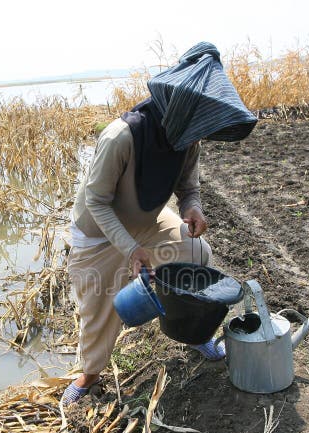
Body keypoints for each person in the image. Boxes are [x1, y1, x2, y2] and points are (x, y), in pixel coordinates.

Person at [62, 42, 257, 405]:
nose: (199, 135)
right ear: (180, 110)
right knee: (100, 309)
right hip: (98, 234)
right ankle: (88, 375)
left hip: (146, 220)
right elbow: (97, 201)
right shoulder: (121, 137)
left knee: (197, 251)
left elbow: (188, 186)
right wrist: (131, 249)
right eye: (198, 126)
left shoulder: (187, 138)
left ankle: (192, 331)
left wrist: (193, 207)